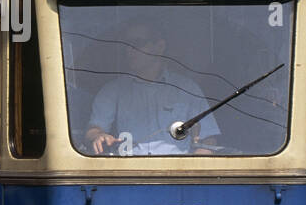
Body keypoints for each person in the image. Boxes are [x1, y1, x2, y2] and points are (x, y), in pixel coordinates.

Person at [85, 18, 221, 156]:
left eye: (137, 43)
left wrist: (194, 168)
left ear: (159, 46)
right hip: (127, 172)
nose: (129, 50)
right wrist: (99, 135)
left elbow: (207, 139)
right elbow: (94, 128)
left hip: (178, 171)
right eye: (126, 44)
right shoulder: (113, 90)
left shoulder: (187, 88)